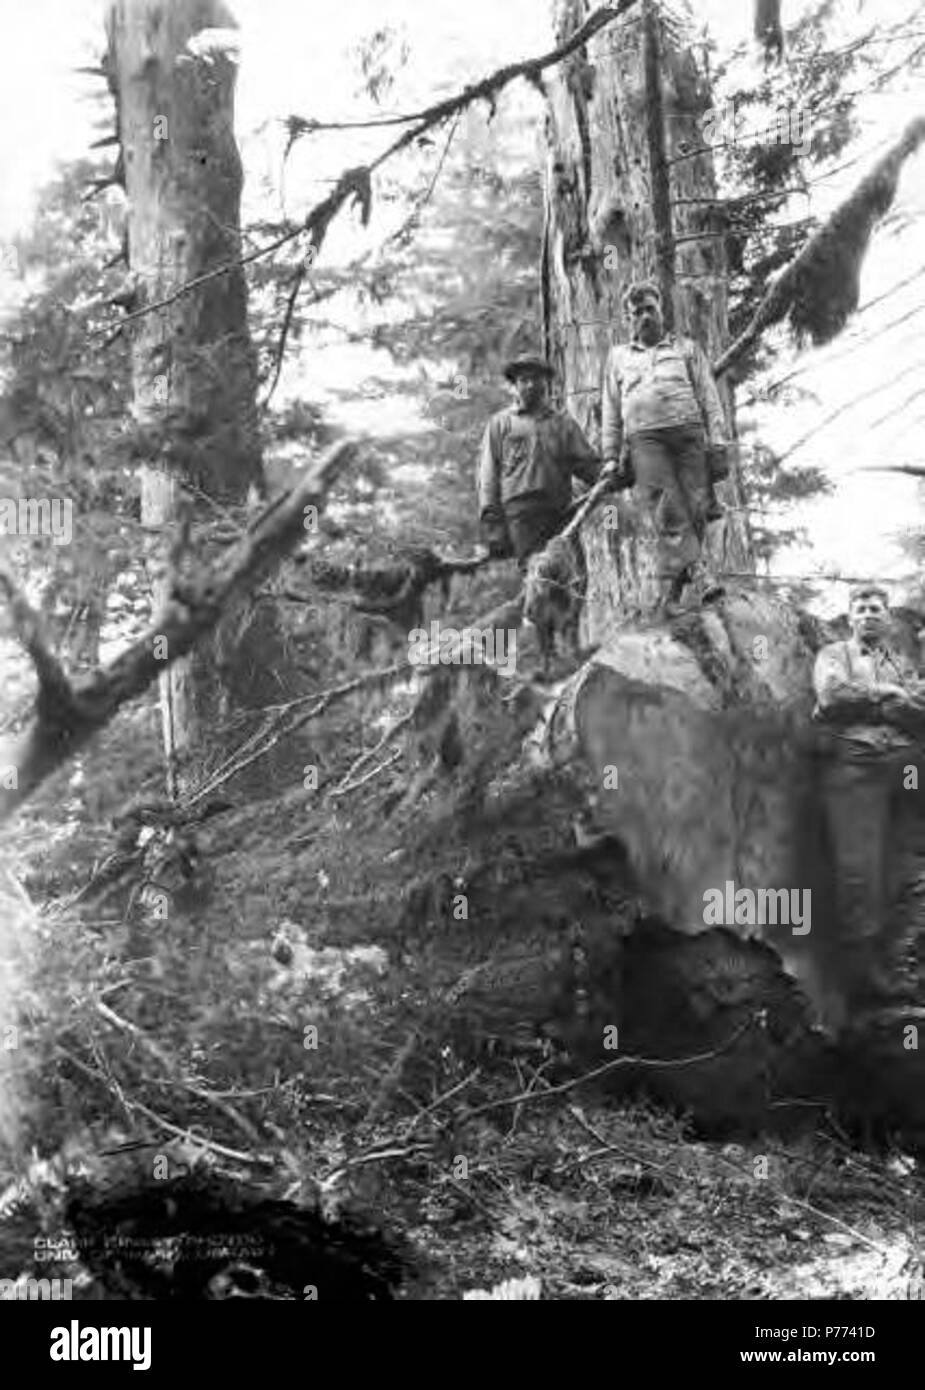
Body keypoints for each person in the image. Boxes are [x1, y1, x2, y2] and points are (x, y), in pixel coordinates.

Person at [813, 584, 925, 1017]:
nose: (870, 613)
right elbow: (832, 696)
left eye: (877, 608)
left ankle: (902, 971)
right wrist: (891, 697)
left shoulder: (902, 662)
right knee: (859, 871)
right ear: (850, 616)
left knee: (910, 869)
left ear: (888, 616)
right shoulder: (834, 655)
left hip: (905, 768)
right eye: (861, 607)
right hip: (854, 766)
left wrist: (884, 701)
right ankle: (861, 985)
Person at [600, 282, 729, 610]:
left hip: (688, 431)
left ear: (660, 311)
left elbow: (709, 396)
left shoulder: (686, 349)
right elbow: (611, 410)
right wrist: (610, 457)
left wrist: (717, 437)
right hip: (644, 438)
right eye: (636, 313)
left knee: (697, 504)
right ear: (628, 321)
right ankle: (699, 572)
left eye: (648, 309)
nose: (643, 317)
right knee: (667, 506)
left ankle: (674, 590)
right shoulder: (617, 357)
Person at [477, 355, 600, 567]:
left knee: (572, 573)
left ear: (546, 383)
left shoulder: (563, 424)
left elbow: (587, 465)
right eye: (524, 380)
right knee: (538, 576)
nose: (531, 385)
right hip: (521, 515)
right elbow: (488, 475)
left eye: (537, 379)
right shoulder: (500, 424)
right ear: (515, 386)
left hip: (560, 512)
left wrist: (615, 473)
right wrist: (493, 523)